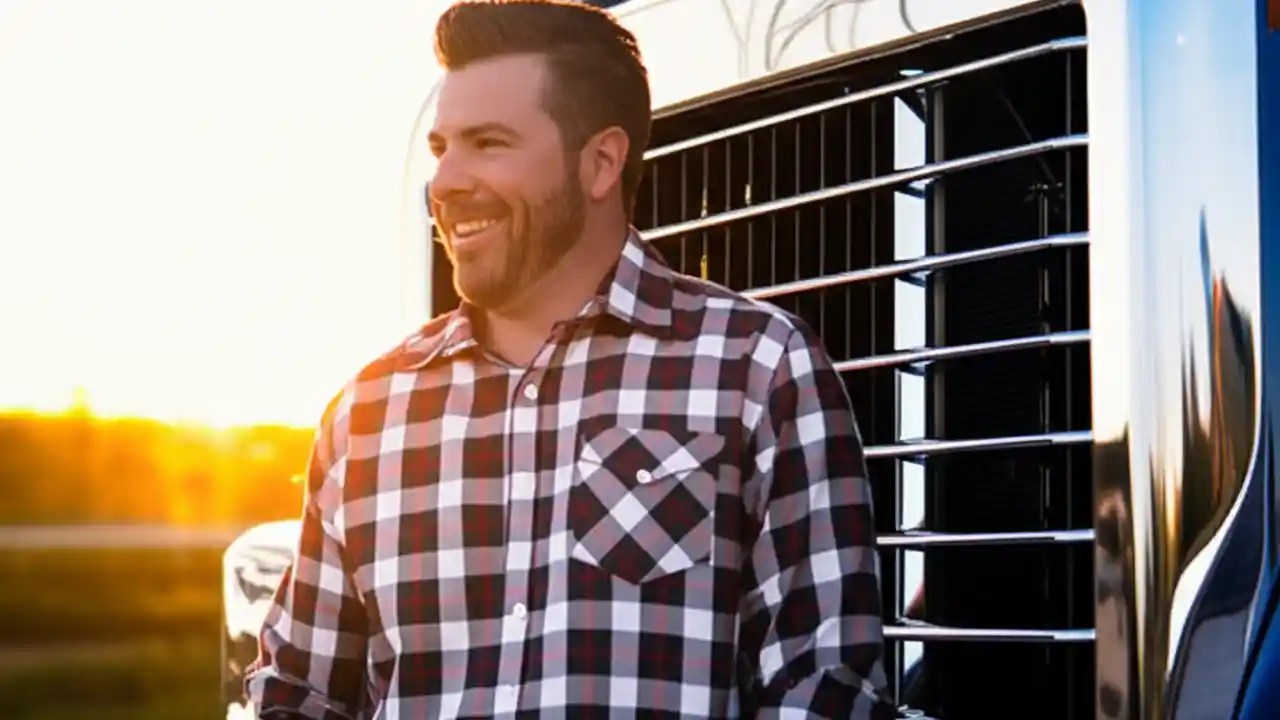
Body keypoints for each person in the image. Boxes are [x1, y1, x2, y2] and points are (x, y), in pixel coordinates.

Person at [246, 1, 894, 717]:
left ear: (602, 163)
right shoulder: (368, 413)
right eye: (440, 148)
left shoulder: (759, 369)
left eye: (489, 143)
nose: (446, 183)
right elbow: (296, 691)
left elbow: (826, 688)